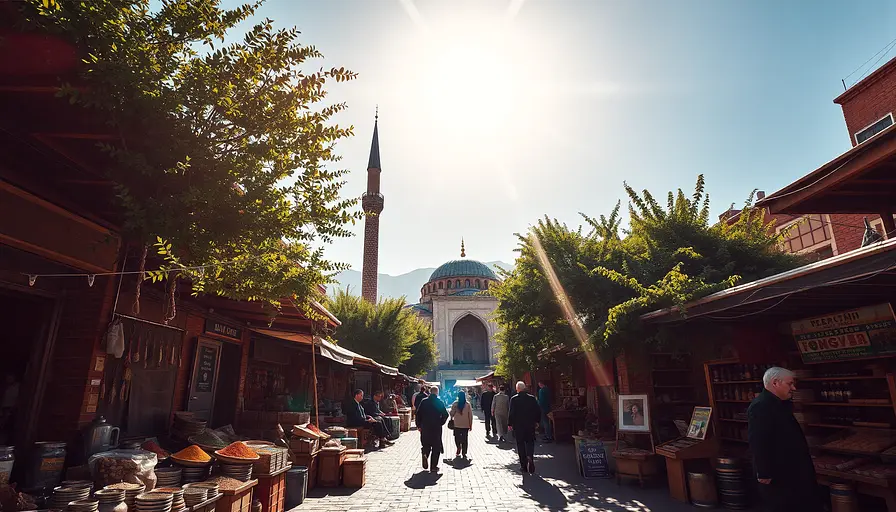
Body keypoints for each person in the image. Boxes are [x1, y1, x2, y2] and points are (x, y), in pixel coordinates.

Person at [748, 367, 821, 512]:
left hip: (791, 469)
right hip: (778, 473)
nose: (793, 388)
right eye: (790, 384)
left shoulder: (780, 403)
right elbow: (759, 441)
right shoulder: (761, 406)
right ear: (775, 383)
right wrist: (764, 472)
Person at [509, 381, 541, 474]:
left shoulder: (514, 399)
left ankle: (523, 466)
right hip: (530, 425)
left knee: (520, 445)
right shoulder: (532, 398)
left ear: (517, 389)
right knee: (530, 442)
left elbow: (511, 413)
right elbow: (537, 410)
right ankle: (530, 455)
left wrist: (510, 424)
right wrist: (537, 421)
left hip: (518, 426)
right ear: (524, 388)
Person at [415, 385, 449, 473]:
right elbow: (445, 414)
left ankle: (425, 454)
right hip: (436, 428)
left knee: (426, 445)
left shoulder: (424, 401)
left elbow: (418, 414)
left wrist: (418, 425)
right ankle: (433, 466)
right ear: (437, 393)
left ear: (430, 392)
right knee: (436, 447)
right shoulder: (439, 402)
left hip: (425, 427)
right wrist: (441, 422)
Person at [449, 390, 474, 459]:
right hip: (465, 424)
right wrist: (470, 425)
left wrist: (453, 410)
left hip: (457, 424)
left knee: (457, 437)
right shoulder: (467, 404)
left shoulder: (455, 404)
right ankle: (464, 452)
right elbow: (470, 416)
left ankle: (458, 447)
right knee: (465, 439)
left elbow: (451, 414)